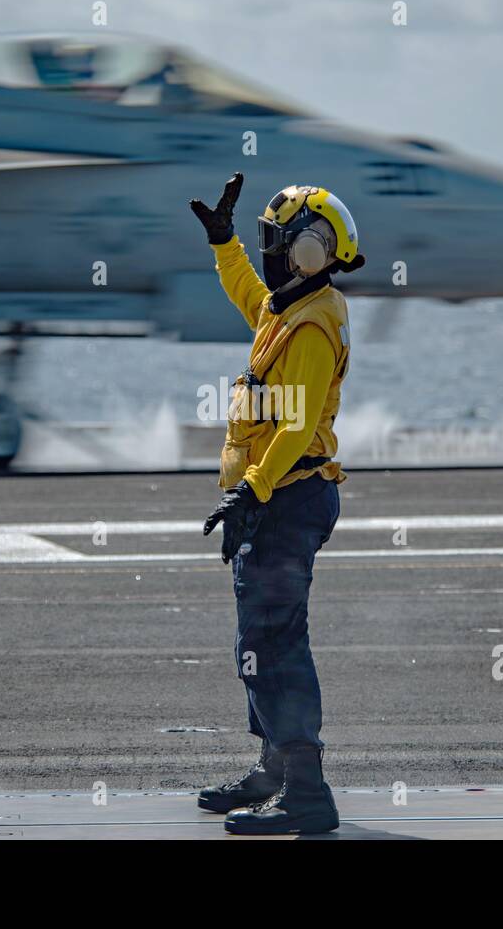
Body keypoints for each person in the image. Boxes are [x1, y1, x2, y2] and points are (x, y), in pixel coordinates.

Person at [188, 172, 365, 835]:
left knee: (276, 644)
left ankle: (307, 793)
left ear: (308, 253)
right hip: (271, 498)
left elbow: (293, 430)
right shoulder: (287, 310)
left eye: (273, 241)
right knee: (260, 640)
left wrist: (251, 491)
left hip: (288, 499)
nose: (267, 252)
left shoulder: (314, 326)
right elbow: (248, 295)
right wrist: (223, 243)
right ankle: (273, 770)